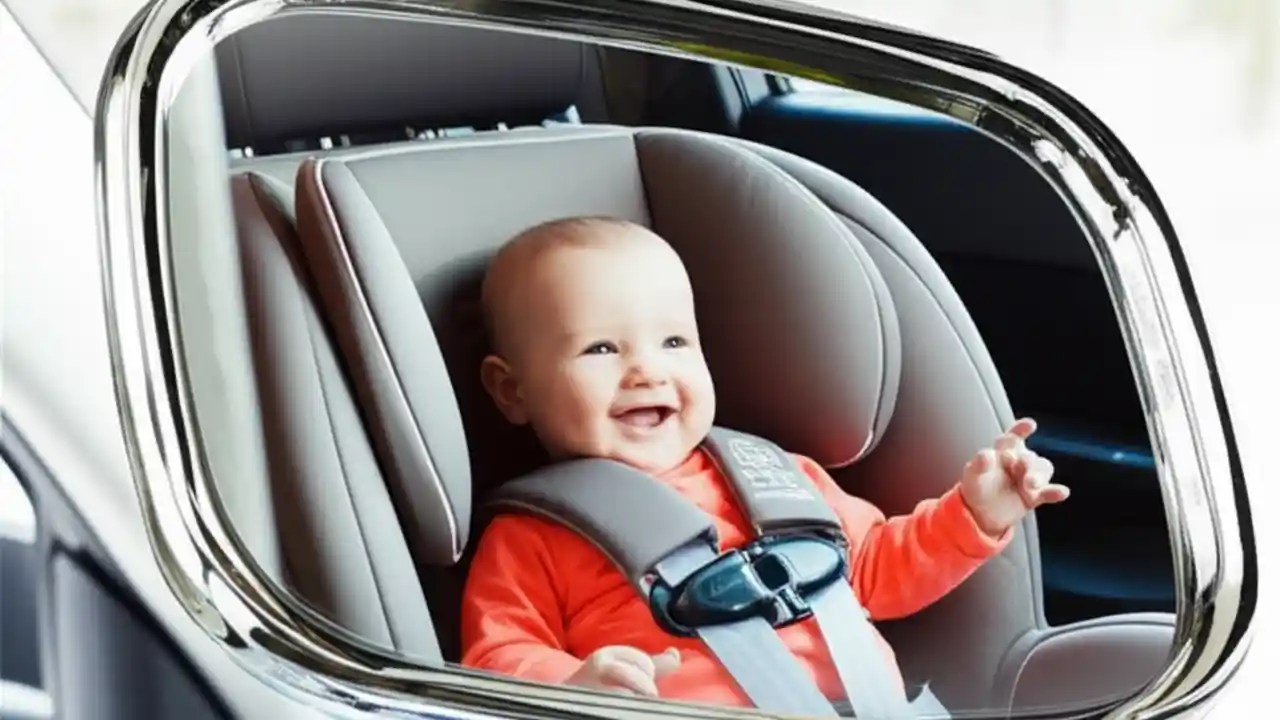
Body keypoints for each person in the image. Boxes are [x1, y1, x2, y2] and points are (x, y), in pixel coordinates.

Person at [460, 216, 1069, 707]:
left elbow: (877, 569)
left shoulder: (775, 476)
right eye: (600, 348)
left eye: (674, 342)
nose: (647, 370)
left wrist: (973, 514)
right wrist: (573, 688)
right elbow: (496, 656)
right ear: (512, 391)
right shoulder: (532, 534)